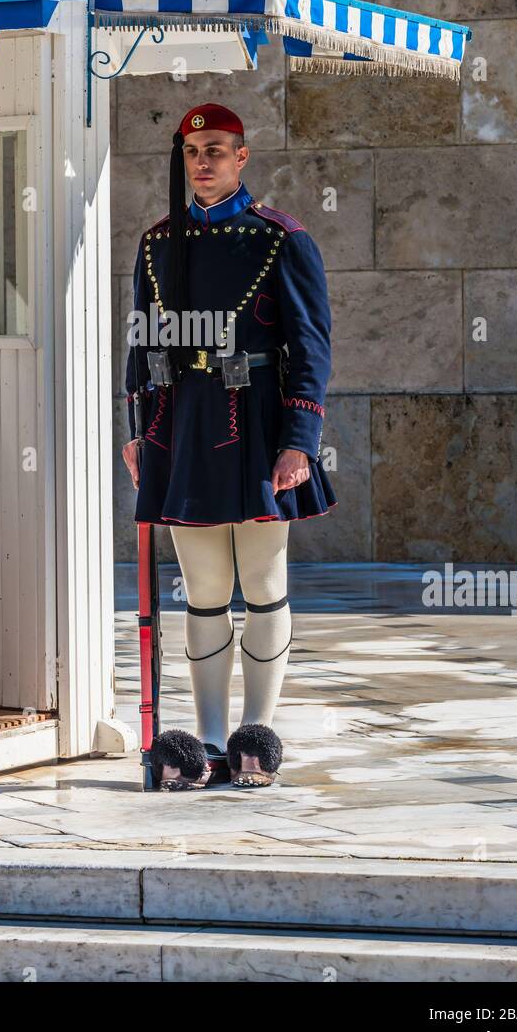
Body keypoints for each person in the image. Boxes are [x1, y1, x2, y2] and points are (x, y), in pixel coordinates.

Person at [122, 103, 336, 791]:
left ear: (241, 157)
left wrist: (299, 439)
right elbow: (140, 343)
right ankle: (210, 739)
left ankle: (257, 736)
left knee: (264, 586)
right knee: (206, 590)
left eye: (216, 149)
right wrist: (137, 432)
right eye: (191, 152)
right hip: (183, 425)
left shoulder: (280, 238)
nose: (203, 162)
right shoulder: (158, 242)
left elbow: (309, 347)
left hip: (257, 422)